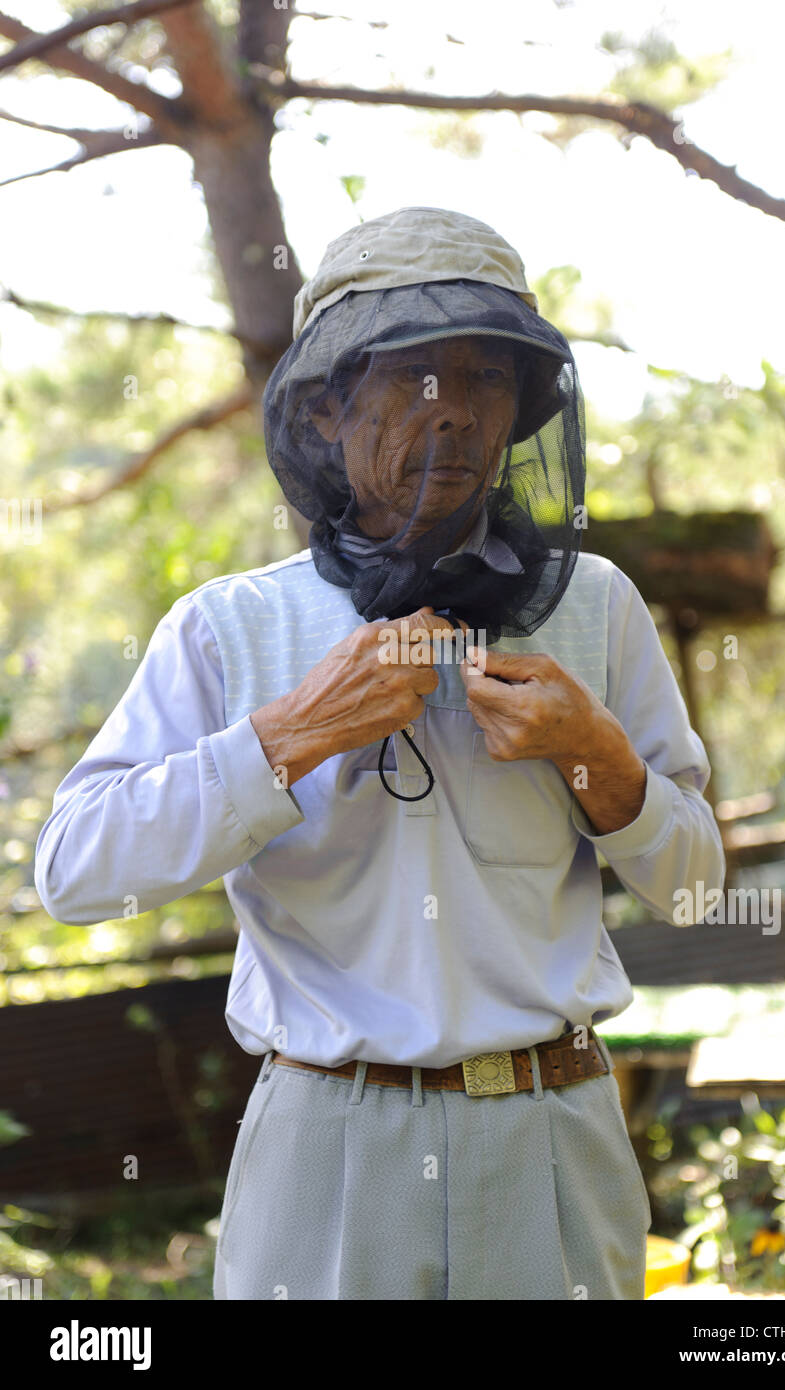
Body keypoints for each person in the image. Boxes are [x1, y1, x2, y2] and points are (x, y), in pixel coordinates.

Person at [34, 206, 726, 1301]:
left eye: (487, 378)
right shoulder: (231, 627)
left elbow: (696, 885)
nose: (454, 415)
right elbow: (75, 869)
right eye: (414, 376)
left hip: (557, 1137)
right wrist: (295, 730)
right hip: (329, 1146)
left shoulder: (597, 609)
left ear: (524, 407)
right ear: (324, 405)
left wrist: (596, 754)